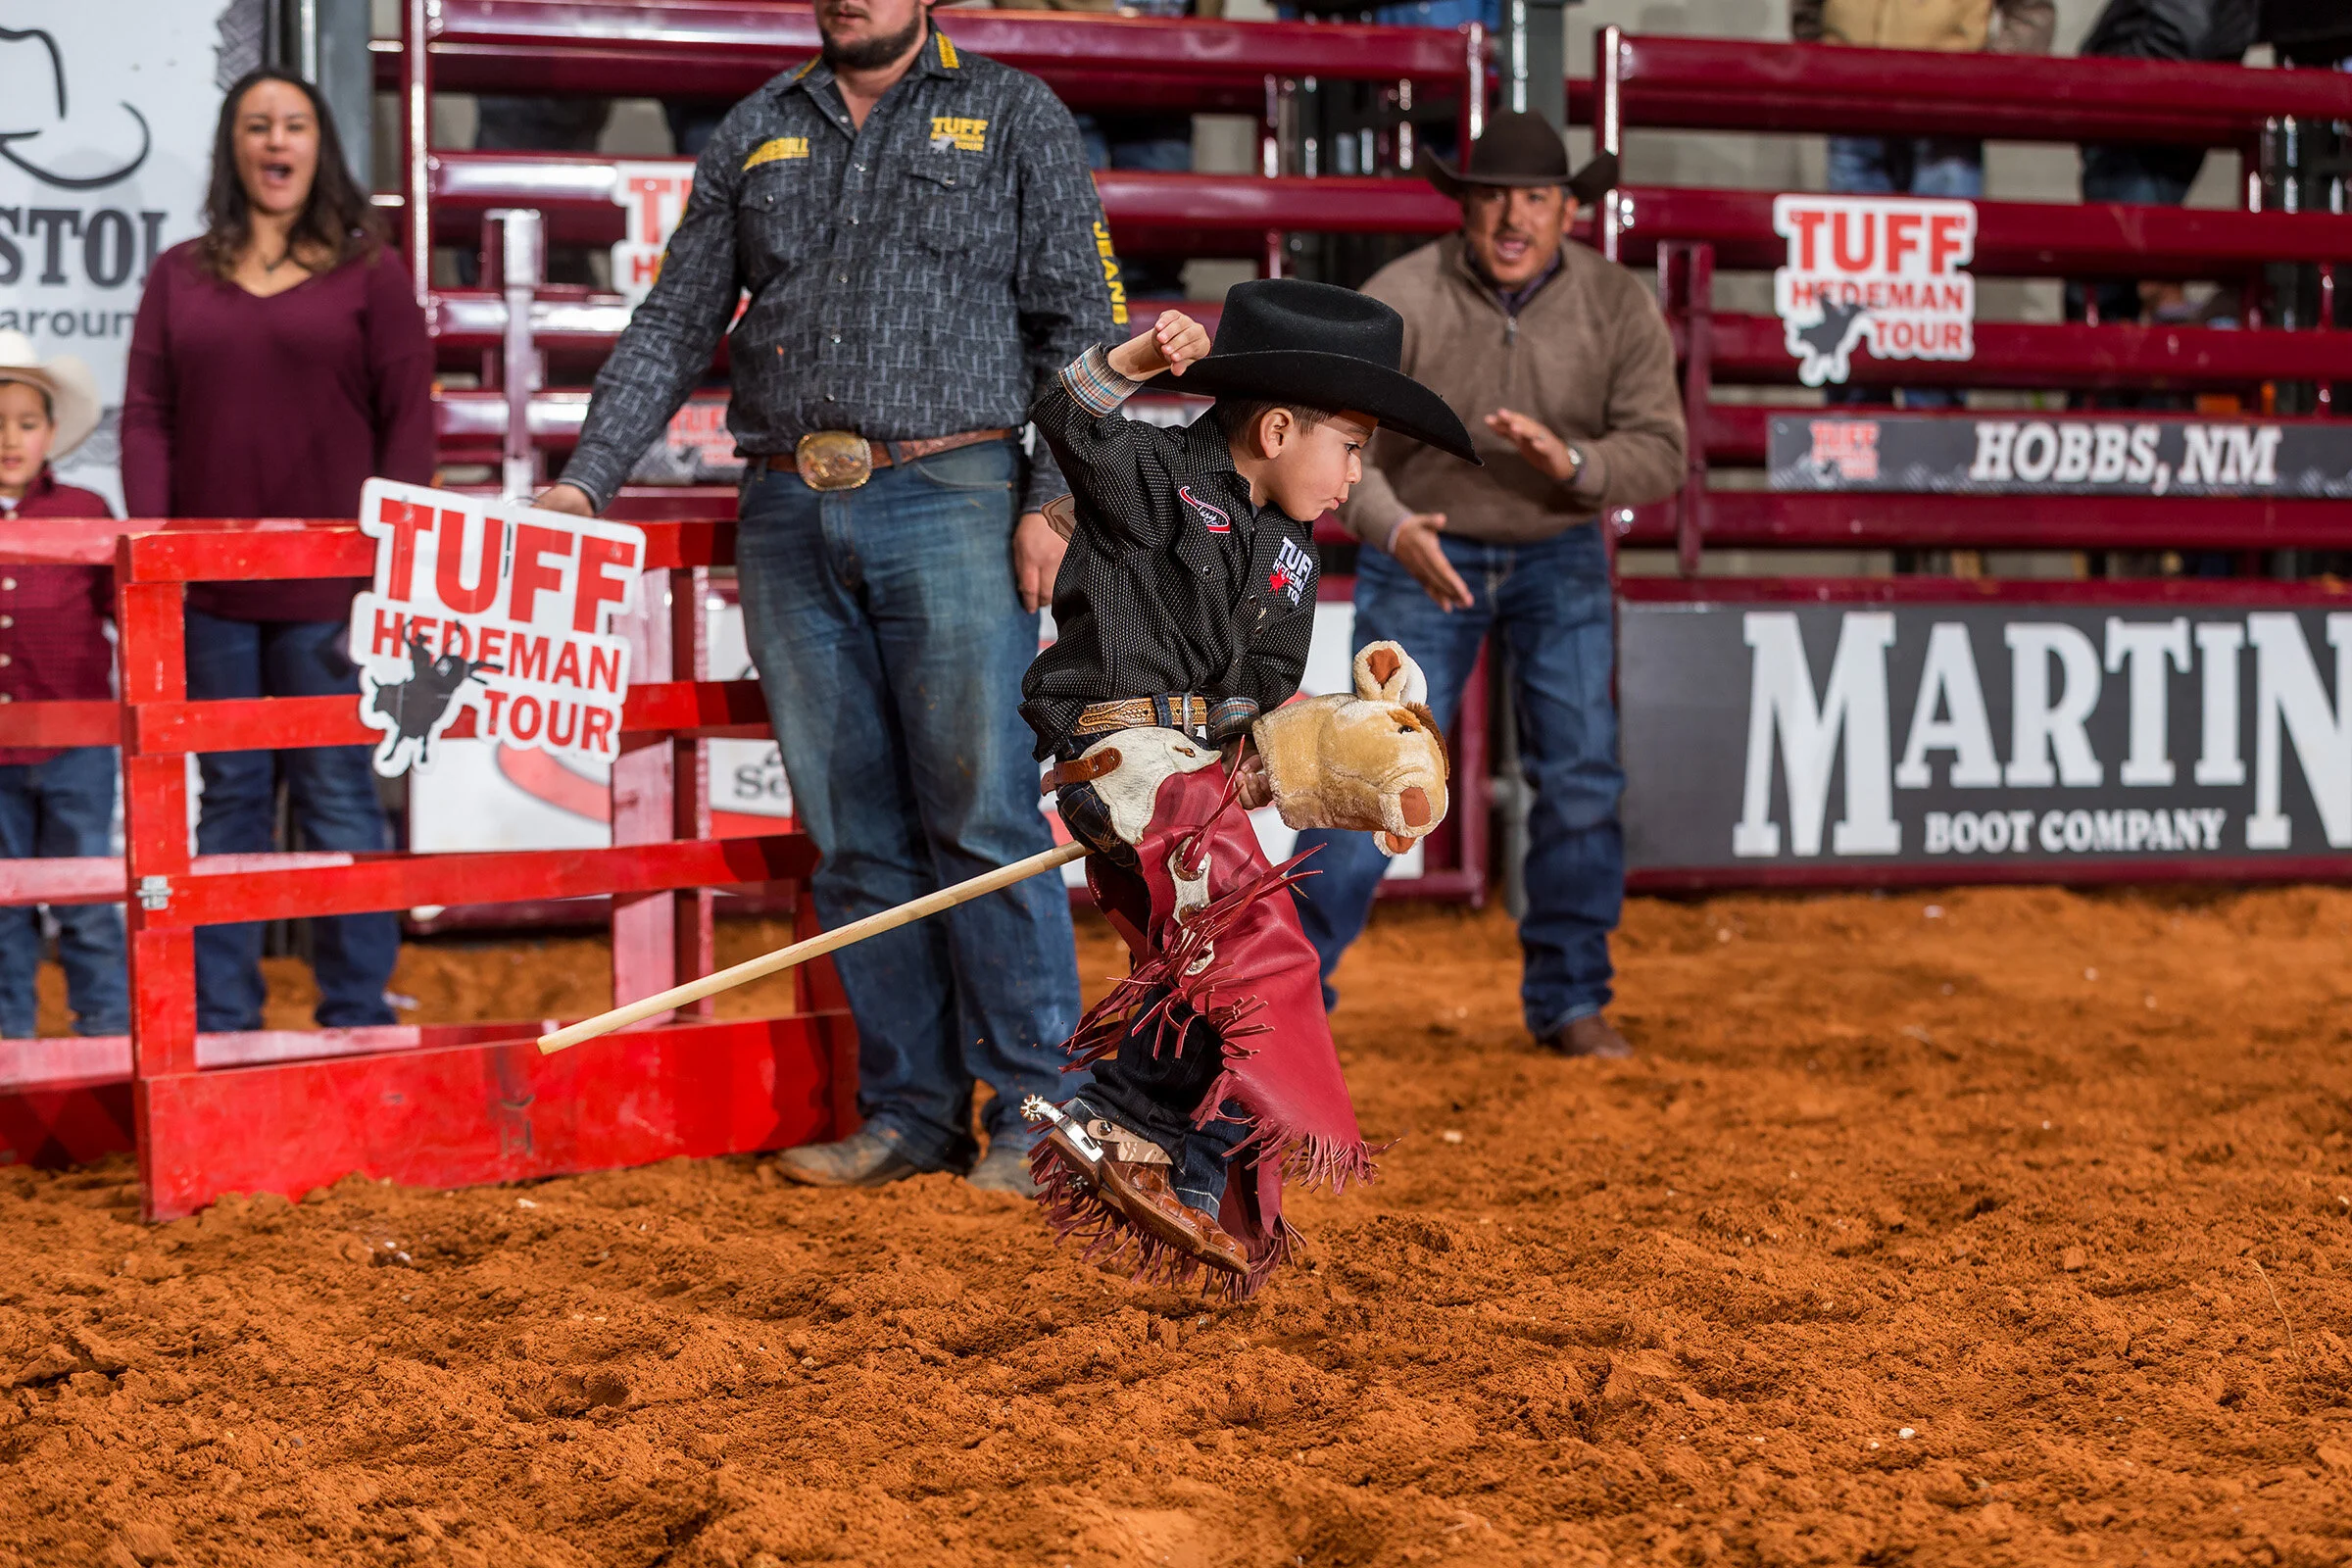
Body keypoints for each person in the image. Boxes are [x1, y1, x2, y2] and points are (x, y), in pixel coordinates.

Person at [538, 0, 1118, 1195]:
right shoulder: (755, 128)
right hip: (791, 504)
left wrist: (1057, 499)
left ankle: (1035, 1115)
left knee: (982, 816)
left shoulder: (1014, 113)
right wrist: (588, 478)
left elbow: (1082, 322)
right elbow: (676, 318)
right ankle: (910, 1111)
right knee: (853, 829)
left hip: (954, 483)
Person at [1019, 281, 1478, 1292]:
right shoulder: (1150, 478)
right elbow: (1066, 411)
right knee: (1242, 929)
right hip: (1122, 754)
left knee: (1226, 966)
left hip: (1198, 777)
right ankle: (1120, 1110)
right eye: (1351, 446)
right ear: (1277, 427)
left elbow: (1261, 694)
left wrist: (1320, 736)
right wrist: (1136, 363)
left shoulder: (1292, 552)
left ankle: (1183, 1172)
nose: (1358, 472)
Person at [1289, 112, 1685, 1060]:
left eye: (1537, 199)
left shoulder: (1616, 303)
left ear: (1568, 209)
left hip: (1559, 550)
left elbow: (1664, 452)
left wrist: (1577, 462)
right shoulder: (1402, 295)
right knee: (1368, 776)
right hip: (1422, 553)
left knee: (1581, 773)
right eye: (1493, 197)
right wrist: (1389, 526)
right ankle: (1291, 997)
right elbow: (1337, 436)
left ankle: (1571, 995)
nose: (1514, 217)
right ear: (1465, 208)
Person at [122, 69, 432, 1033]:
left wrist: (388, 567)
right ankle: (221, 1019)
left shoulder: (369, 271)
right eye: (256, 125)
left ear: (318, 146)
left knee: (340, 799)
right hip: (209, 596)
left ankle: (355, 1014)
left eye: (293, 123)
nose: (274, 140)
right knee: (230, 807)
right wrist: (161, 559)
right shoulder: (179, 272)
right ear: (235, 147)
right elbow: (147, 419)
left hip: (335, 595)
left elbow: (409, 425)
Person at [0, 334, 127, 1040]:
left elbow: (123, 611)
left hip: (75, 745)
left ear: (51, 432)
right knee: (2, 912)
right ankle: (8, 1060)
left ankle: (107, 1046)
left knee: (85, 904)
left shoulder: (84, 508)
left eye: (26, 422)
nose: (11, 439)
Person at [2070, 0, 2255, 328]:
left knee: (2109, 284)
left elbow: (2185, 32)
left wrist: (2105, 81)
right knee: (2118, 276)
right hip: (2167, 111)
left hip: (2141, 115)